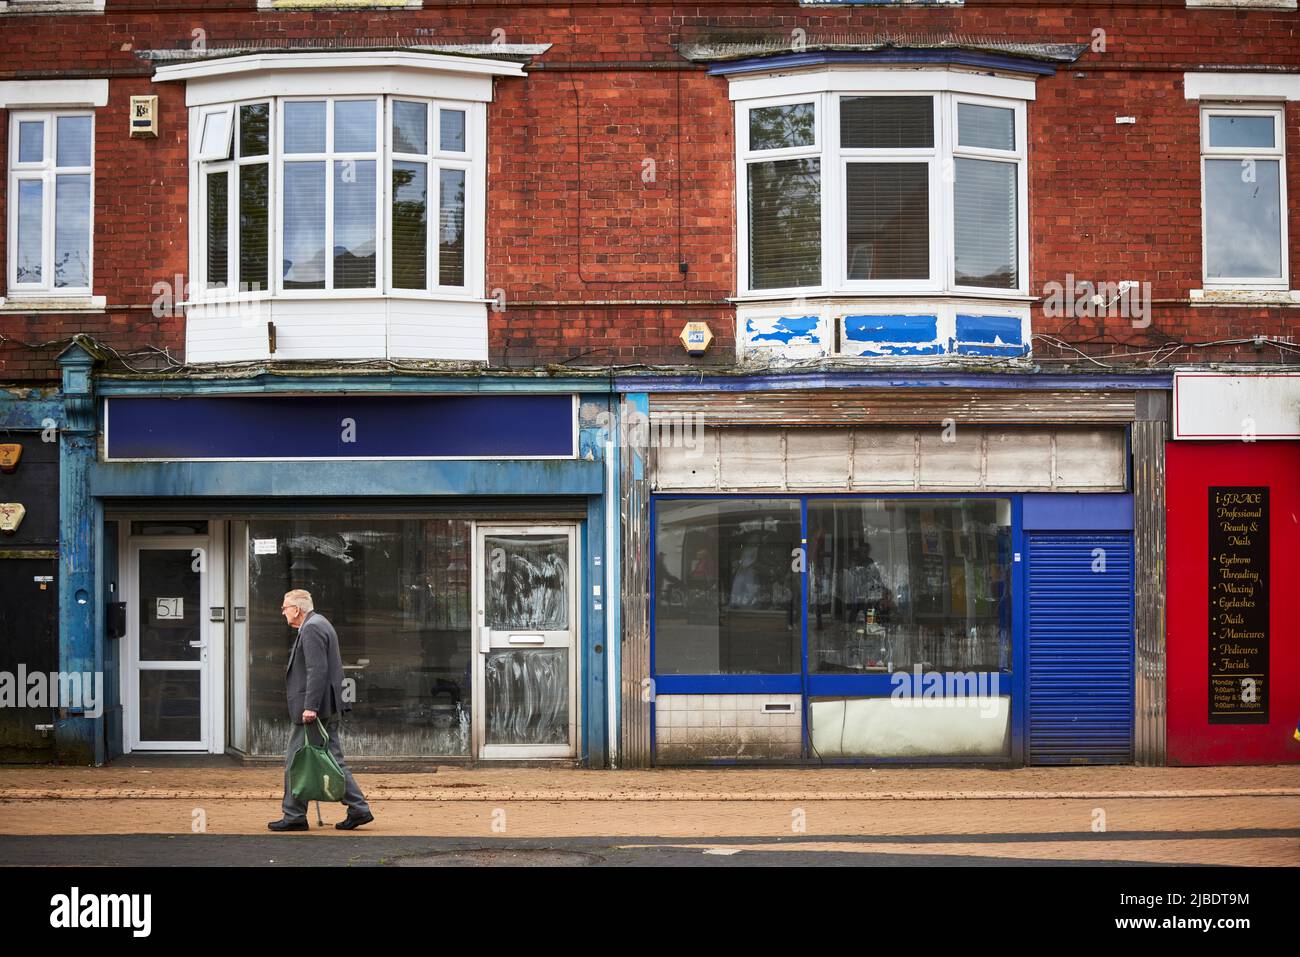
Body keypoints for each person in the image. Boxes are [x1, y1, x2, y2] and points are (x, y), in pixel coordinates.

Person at [268, 589, 374, 832]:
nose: (282, 612)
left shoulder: (312, 627)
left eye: (285, 607)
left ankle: (294, 815)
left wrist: (310, 707)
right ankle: (358, 809)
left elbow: (317, 670)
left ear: (296, 609)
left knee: (296, 761)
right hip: (324, 706)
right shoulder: (318, 622)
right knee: (331, 760)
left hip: (315, 709)